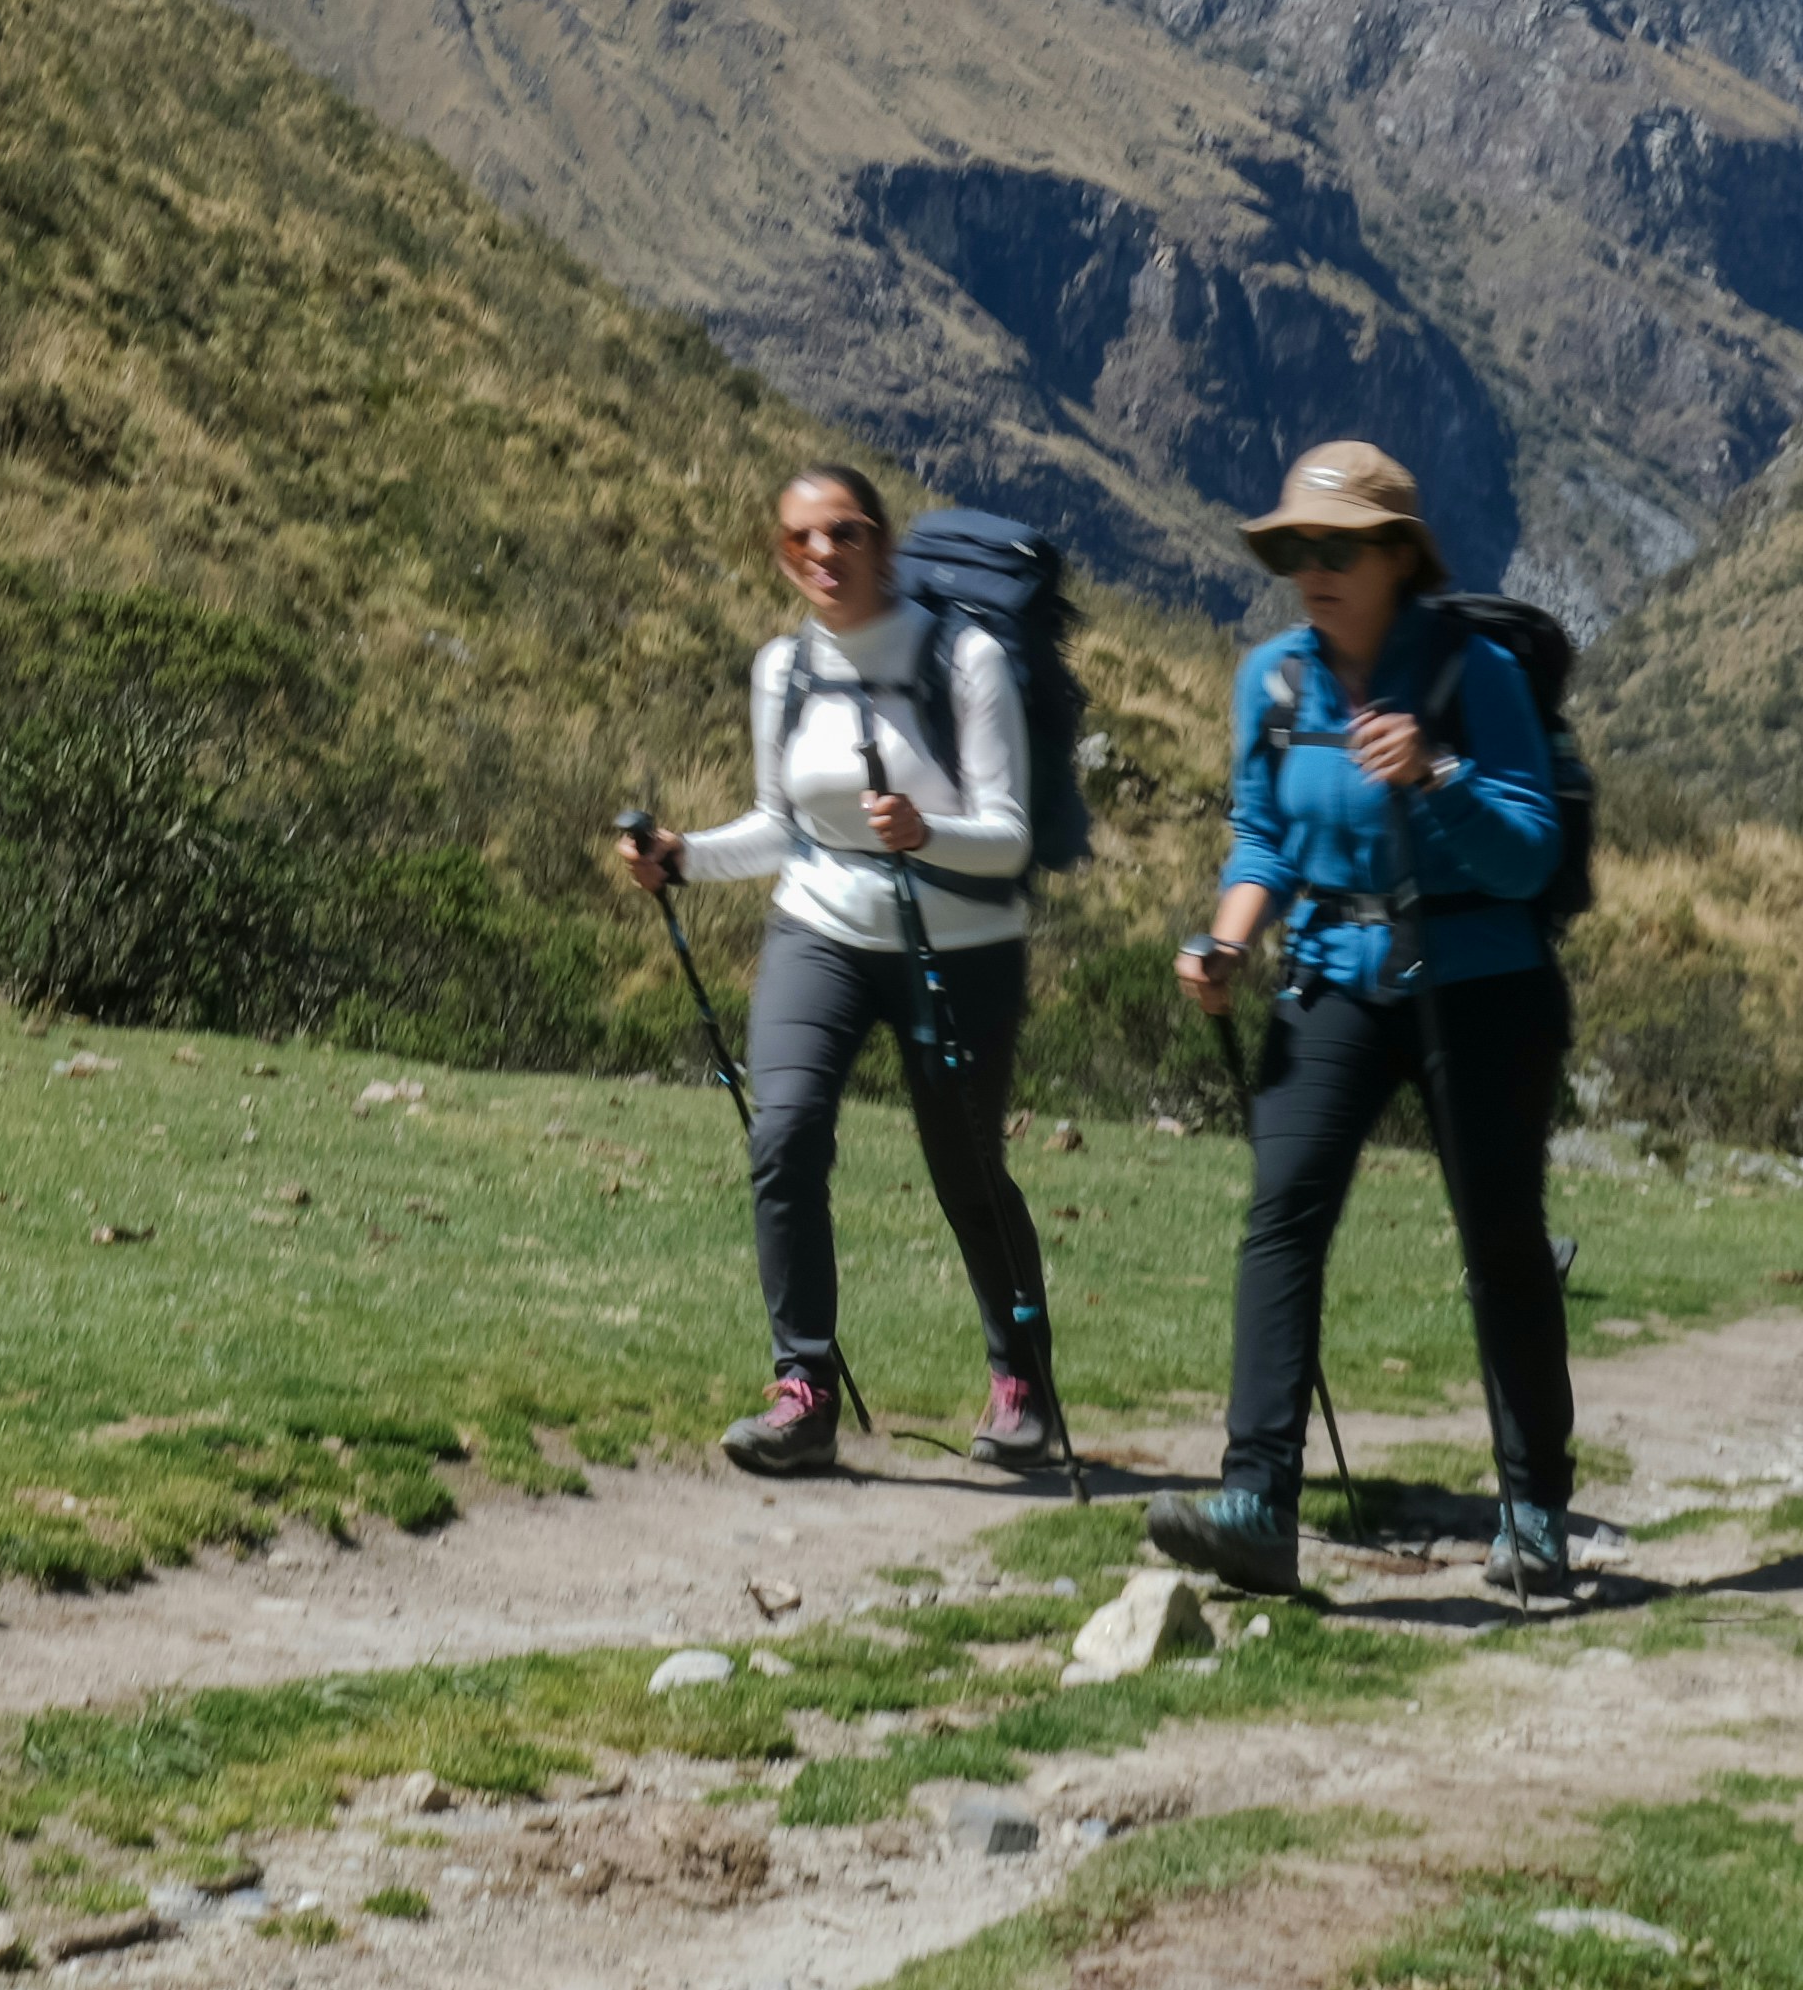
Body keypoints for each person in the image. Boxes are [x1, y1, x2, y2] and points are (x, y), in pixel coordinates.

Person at [1141, 440, 1588, 1609]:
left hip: (1480, 981)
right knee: (1282, 1216)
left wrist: (1437, 772)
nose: (1312, 568)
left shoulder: (1474, 670)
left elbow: (1533, 845)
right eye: (1295, 548)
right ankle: (1256, 1503)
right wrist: (1230, 938)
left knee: (1499, 1238)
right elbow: (1263, 834)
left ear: (1398, 555)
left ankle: (1535, 1506)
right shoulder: (1272, 680)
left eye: (1337, 547)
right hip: (1331, 973)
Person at [614, 463, 1065, 1478]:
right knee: (785, 1133)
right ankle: (802, 1387)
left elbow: (1005, 835)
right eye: (799, 540)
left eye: (846, 532)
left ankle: (1022, 1383)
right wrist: (683, 855)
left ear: (885, 542)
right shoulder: (783, 669)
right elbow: (783, 826)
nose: (824, 554)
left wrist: (924, 829)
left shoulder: (966, 656)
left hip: (960, 945)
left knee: (965, 1168)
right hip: (817, 928)